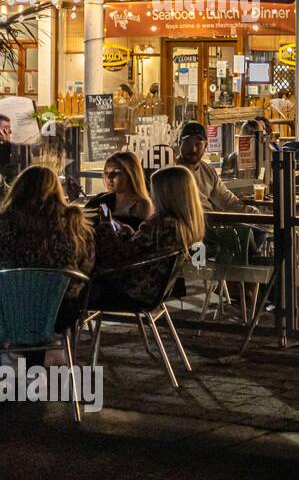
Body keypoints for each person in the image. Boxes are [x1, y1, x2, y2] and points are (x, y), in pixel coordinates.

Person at [0, 166, 96, 354]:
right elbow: (87, 265)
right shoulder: (73, 222)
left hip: (9, 310)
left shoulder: (4, 222)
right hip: (58, 312)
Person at [96, 166, 205, 307]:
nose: (151, 195)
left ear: (165, 194)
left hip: (131, 289)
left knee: (77, 279)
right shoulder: (184, 224)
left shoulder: (160, 224)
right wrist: (120, 228)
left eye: (154, 191)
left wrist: (105, 225)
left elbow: (123, 252)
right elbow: (139, 245)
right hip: (156, 290)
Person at [175, 121, 255, 213]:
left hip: (209, 222)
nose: (193, 149)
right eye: (188, 143)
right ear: (180, 143)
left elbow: (227, 201)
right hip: (183, 224)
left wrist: (253, 213)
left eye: (198, 144)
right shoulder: (171, 170)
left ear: (205, 146)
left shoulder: (208, 171)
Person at [86, 151, 153, 227]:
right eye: (106, 173)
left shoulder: (141, 205)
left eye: (116, 172)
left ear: (131, 175)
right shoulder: (101, 199)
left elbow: (134, 235)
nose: (109, 177)